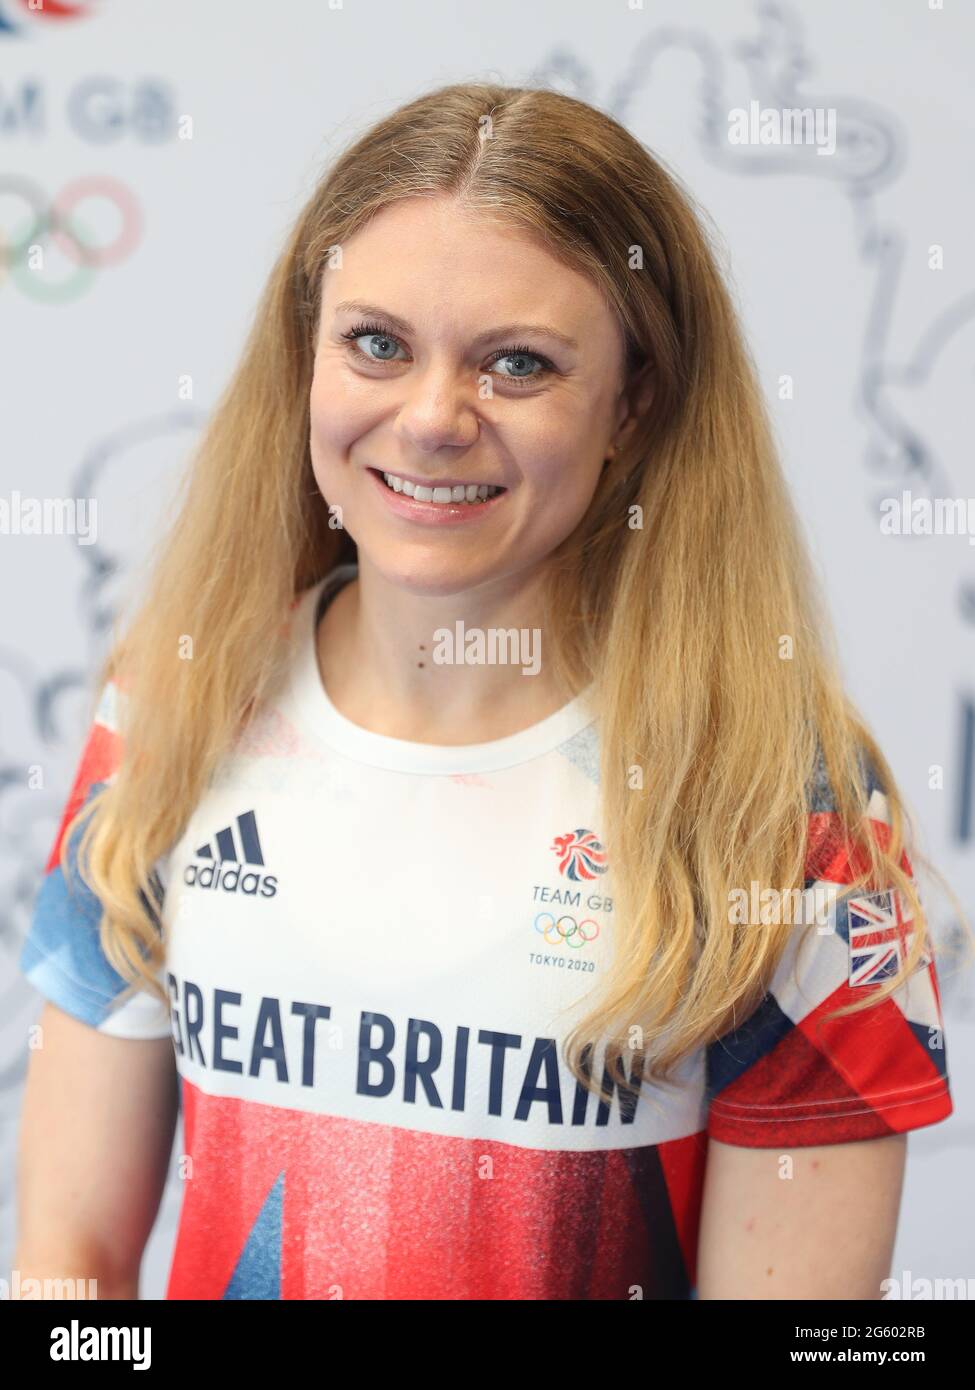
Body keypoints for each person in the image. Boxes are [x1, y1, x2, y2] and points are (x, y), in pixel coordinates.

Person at [14, 81, 961, 1301]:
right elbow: (64, 1277)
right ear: (306, 356)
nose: (430, 419)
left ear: (634, 403)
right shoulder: (173, 707)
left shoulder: (787, 803)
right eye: (376, 343)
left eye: (518, 364)